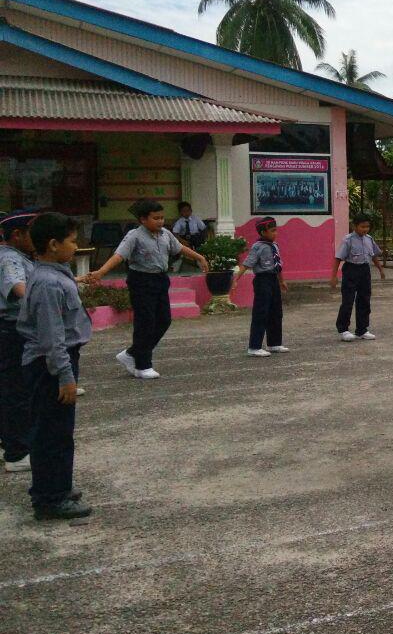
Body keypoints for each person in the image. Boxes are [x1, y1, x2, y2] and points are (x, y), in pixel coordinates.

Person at [17, 212, 92, 520]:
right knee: (52, 433)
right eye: (72, 242)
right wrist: (64, 375)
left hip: (56, 360)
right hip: (50, 365)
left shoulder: (55, 272)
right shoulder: (48, 283)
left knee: (59, 430)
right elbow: (52, 337)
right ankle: (50, 498)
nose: (76, 247)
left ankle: (56, 486)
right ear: (53, 244)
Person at [88, 199, 208, 380]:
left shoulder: (165, 234)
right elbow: (119, 256)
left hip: (160, 279)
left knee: (164, 320)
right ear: (143, 219)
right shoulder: (134, 236)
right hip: (141, 280)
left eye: (162, 217)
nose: (160, 221)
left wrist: (199, 257)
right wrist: (101, 272)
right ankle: (143, 365)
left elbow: (180, 247)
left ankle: (132, 353)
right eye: (155, 218)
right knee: (145, 323)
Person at [1, 210, 37, 474]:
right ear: (17, 235)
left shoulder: (19, 256)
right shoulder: (10, 259)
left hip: (13, 329)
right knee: (15, 391)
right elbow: (20, 288)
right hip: (11, 330)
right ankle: (16, 452)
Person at [237, 217, 288, 357]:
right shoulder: (258, 247)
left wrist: (281, 281)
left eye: (276, 230)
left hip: (273, 280)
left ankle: (274, 343)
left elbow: (279, 266)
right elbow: (248, 263)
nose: (275, 233)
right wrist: (236, 279)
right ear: (262, 232)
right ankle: (254, 346)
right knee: (261, 312)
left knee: (276, 311)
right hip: (262, 280)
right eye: (272, 231)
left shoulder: (275, 246)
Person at [332, 214, 385, 341]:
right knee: (348, 300)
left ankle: (362, 329)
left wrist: (380, 269)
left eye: (367, 227)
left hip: (365, 270)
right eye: (362, 227)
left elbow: (373, 255)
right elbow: (338, 258)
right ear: (354, 226)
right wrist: (333, 276)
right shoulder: (348, 240)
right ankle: (343, 329)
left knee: (364, 300)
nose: (365, 229)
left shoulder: (369, 239)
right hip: (351, 270)